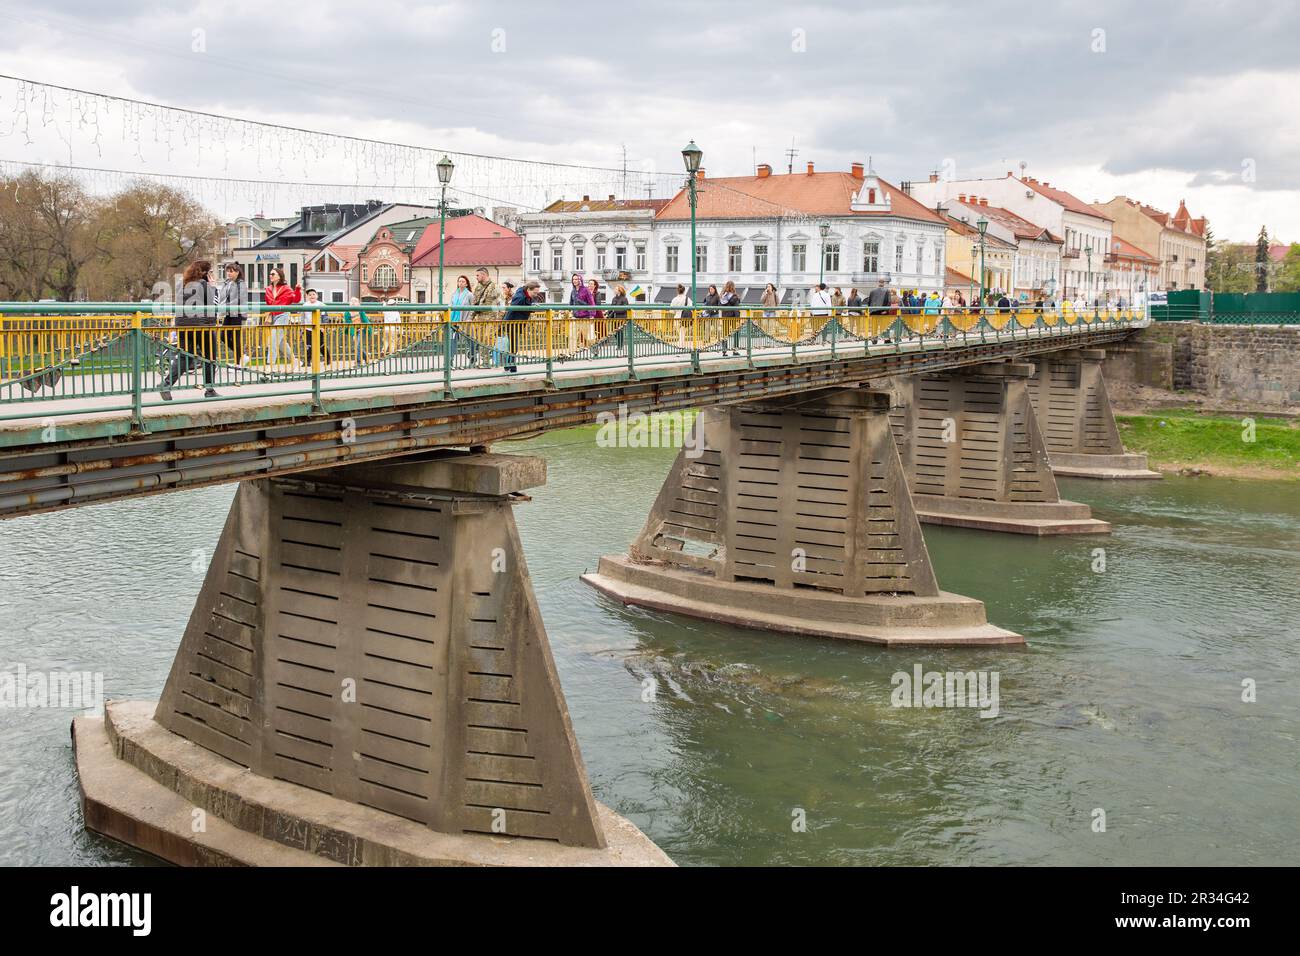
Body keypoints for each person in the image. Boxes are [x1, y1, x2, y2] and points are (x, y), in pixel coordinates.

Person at [160, 259, 219, 401]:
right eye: (210, 272)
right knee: (209, 356)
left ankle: (166, 384)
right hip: (201, 325)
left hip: (182, 324)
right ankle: (209, 389)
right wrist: (213, 287)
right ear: (205, 273)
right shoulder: (204, 284)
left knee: (184, 356)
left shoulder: (182, 283)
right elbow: (214, 304)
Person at [263, 265, 301, 367]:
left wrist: (297, 289)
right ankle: (295, 360)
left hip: (283, 315)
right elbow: (268, 303)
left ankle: (270, 365)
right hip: (273, 315)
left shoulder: (286, 288)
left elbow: (296, 300)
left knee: (273, 339)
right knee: (280, 342)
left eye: (273, 274)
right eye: (270, 274)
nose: (270, 275)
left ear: (279, 276)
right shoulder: (268, 289)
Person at [216, 262, 247, 368]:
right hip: (229, 313)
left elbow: (238, 299)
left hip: (237, 313)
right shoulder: (227, 283)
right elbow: (223, 297)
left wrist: (225, 306)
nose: (228, 273)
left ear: (237, 272)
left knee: (236, 337)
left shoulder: (240, 283)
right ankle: (242, 356)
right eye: (227, 271)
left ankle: (238, 363)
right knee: (223, 336)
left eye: (231, 271)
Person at [473, 267, 504, 365]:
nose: (476, 277)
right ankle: (485, 361)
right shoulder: (478, 287)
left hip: (492, 317)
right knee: (481, 339)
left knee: (488, 338)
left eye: (477, 275)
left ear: (483, 275)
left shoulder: (494, 287)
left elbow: (501, 303)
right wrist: (472, 316)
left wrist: (499, 318)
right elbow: (475, 303)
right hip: (480, 317)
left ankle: (488, 359)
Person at [449, 274, 475, 364]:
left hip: (465, 320)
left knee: (469, 339)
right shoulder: (454, 294)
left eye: (463, 281)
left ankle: (472, 357)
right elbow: (450, 306)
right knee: (452, 340)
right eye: (459, 281)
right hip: (454, 321)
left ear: (466, 284)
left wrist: (469, 318)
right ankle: (450, 359)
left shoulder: (469, 295)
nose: (460, 283)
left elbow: (473, 308)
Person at [342, 297, 371, 364]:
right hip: (354, 329)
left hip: (362, 329)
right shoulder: (347, 313)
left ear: (358, 304)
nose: (353, 302)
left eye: (355, 301)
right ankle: (366, 357)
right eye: (351, 301)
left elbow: (365, 320)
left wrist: (365, 328)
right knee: (357, 346)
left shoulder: (360, 311)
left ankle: (358, 361)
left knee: (358, 345)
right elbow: (350, 324)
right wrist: (353, 334)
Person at [720, 279, 741, 355]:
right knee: (736, 333)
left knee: (725, 333)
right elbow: (736, 309)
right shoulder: (734, 297)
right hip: (733, 317)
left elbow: (720, 305)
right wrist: (738, 318)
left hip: (725, 317)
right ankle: (735, 350)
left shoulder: (723, 296)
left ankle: (724, 351)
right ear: (733, 287)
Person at [609, 283, 630, 353]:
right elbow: (611, 307)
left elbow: (625, 309)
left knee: (620, 332)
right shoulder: (614, 298)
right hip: (614, 318)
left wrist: (615, 310)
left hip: (621, 317)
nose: (614, 290)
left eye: (616, 289)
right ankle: (619, 344)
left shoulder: (624, 299)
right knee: (615, 332)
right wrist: (608, 313)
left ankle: (620, 345)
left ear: (619, 290)